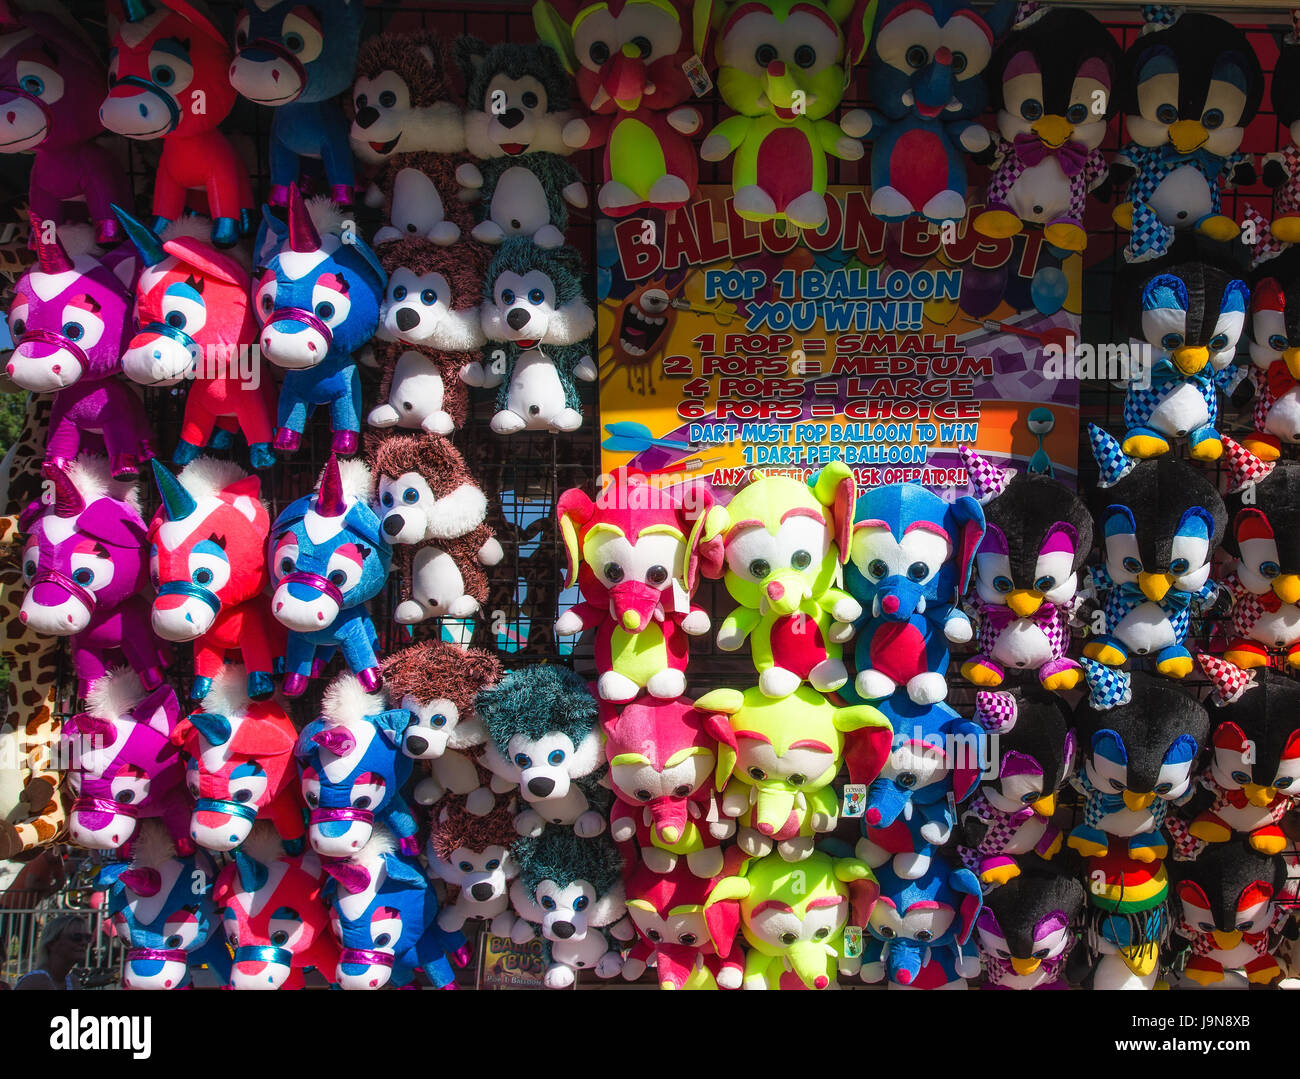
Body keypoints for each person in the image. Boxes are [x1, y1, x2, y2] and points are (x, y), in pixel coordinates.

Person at [12, 913, 88, 990]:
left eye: (88, 937)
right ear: (52, 944)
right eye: (77, 937)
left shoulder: (72, 981)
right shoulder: (37, 981)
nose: (84, 942)